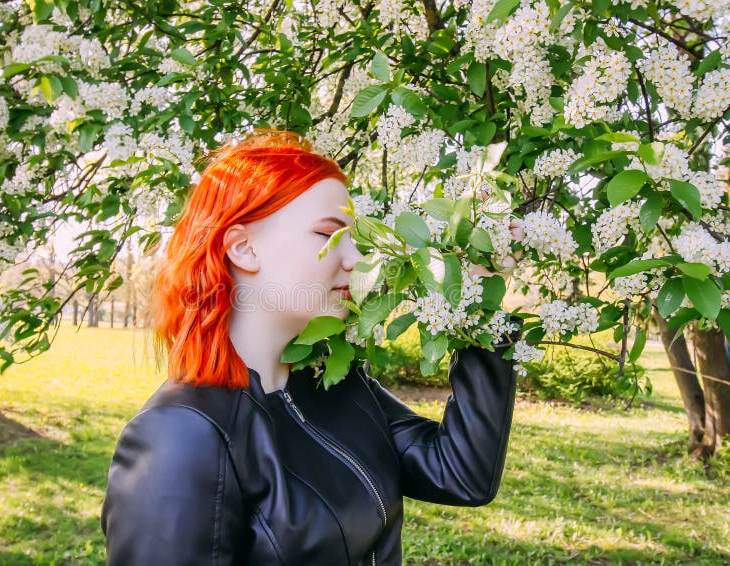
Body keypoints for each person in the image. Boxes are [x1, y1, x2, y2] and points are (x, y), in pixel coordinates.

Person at [101, 131, 518, 565]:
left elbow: (461, 473)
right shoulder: (181, 434)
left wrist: (474, 300)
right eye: (328, 235)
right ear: (243, 248)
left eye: (353, 238)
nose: (355, 259)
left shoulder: (335, 385)